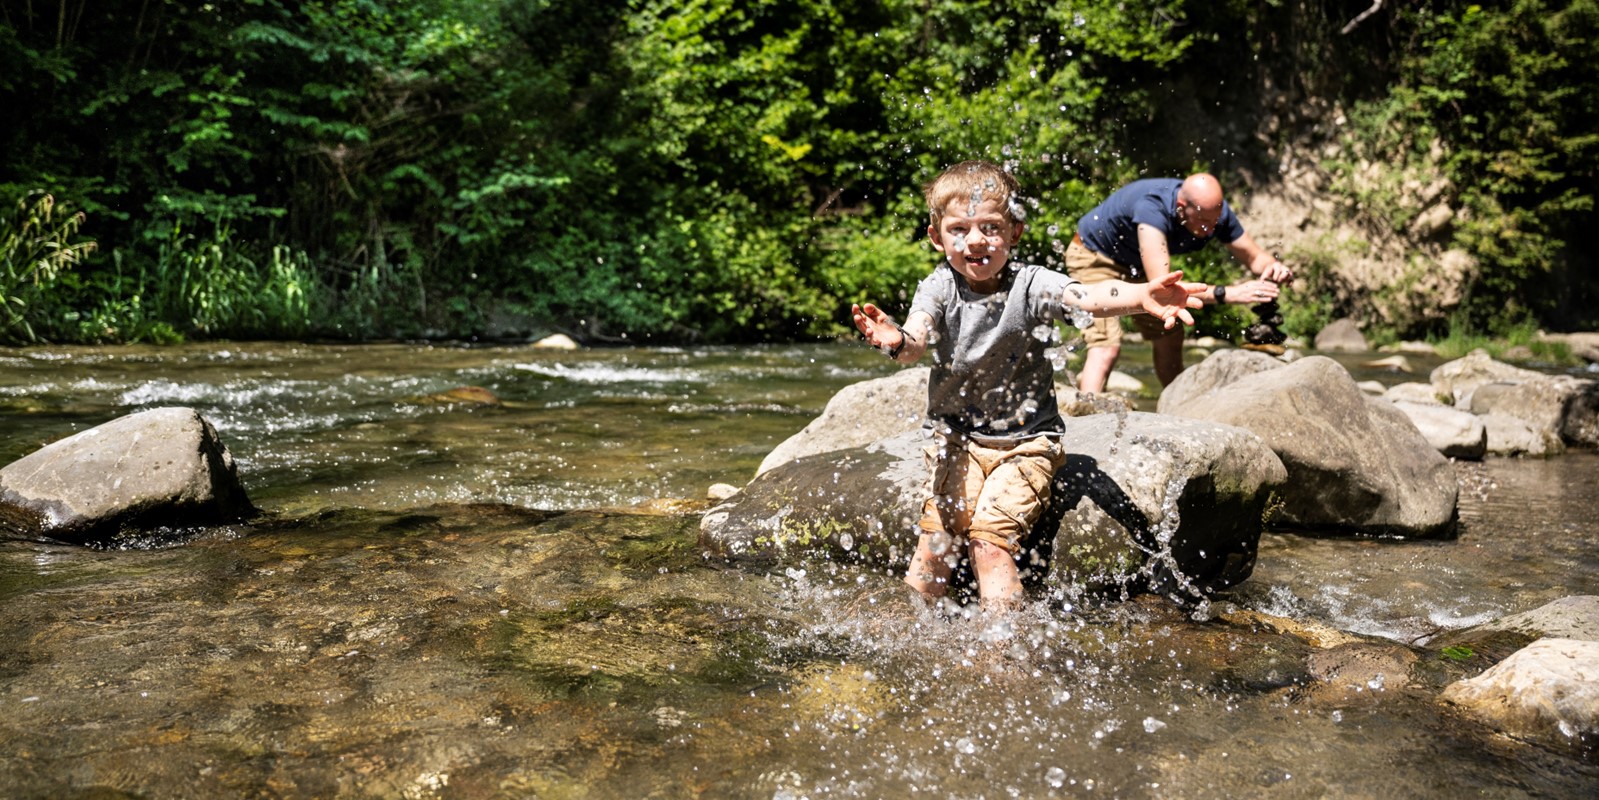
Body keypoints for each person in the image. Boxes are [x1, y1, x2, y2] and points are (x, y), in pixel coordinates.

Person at [851, 161, 1206, 611]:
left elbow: (1090, 297)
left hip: (1026, 444)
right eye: (959, 229)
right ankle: (906, 634)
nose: (975, 240)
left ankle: (1002, 655)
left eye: (991, 228)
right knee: (937, 539)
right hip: (955, 441)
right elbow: (915, 342)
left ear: (1014, 233)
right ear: (936, 237)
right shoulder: (938, 288)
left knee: (987, 542)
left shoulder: (1032, 284)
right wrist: (895, 339)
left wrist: (1141, 296)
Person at [1066, 173, 1295, 392]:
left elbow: (1254, 257)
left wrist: (1272, 267)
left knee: (1170, 332)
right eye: (1205, 222)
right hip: (1095, 258)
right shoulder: (1152, 210)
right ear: (1181, 206)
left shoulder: (1214, 212)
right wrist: (1228, 293)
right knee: (1106, 345)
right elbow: (1163, 288)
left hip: (1138, 266)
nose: (1211, 229)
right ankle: (1089, 416)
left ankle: (1176, 405)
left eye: (1216, 222)